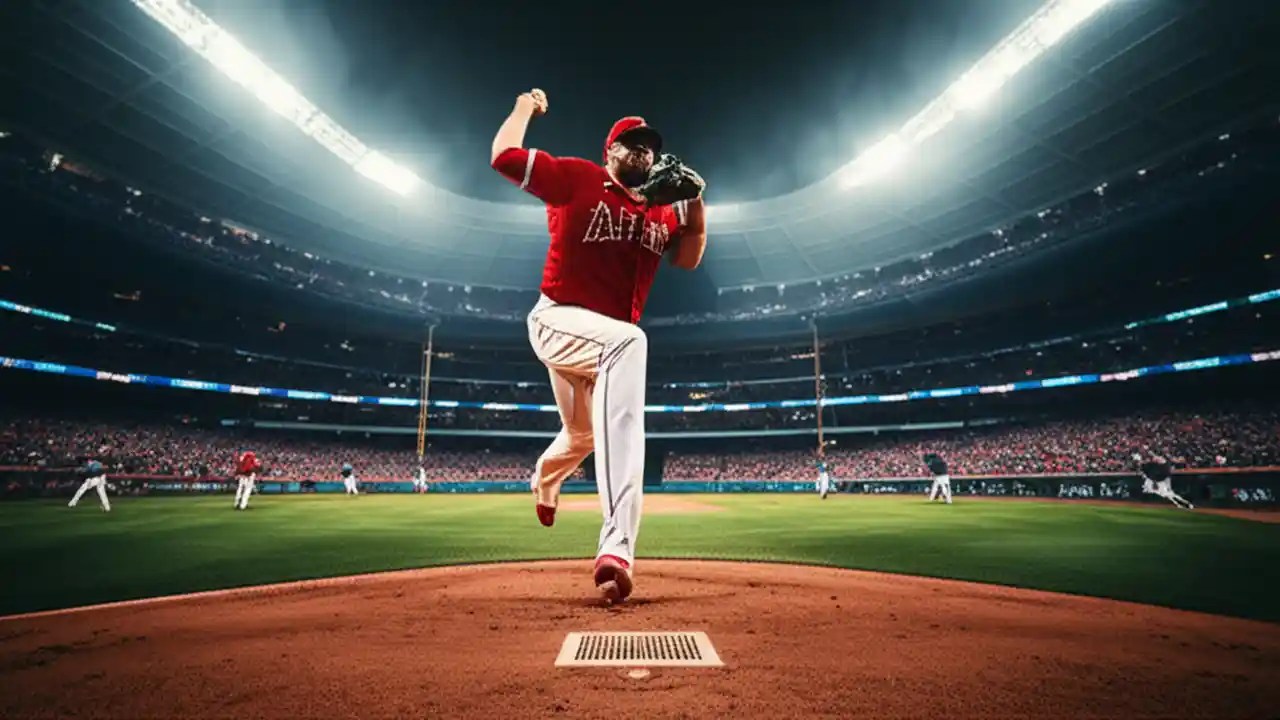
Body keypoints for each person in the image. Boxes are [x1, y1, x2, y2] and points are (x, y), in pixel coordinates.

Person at [491, 88, 708, 603]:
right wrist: (525, 107)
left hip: (603, 345)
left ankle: (544, 481)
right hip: (558, 320)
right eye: (631, 144)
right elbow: (503, 157)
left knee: (581, 435)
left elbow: (689, 258)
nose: (643, 154)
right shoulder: (579, 178)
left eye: (650, 148)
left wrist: (696, 200)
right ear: (609, 151)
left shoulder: (660, 213)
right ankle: (617, 546)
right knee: (631, 341)